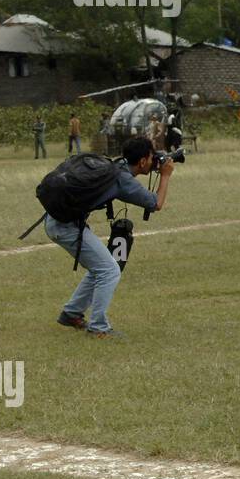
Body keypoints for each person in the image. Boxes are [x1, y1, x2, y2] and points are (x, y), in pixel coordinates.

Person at [46, 137, 173, 338]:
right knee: (110, 269)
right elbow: (155, 203)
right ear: (142, 161)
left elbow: (131, 182)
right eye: (151, 157)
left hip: (58, 219)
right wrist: (165, 175)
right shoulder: (122, 179)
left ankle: (71, 313)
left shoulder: (116, 165)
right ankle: (98, 328)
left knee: (101, 267)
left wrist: (155, 163)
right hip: (65, 226)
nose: (153, 160)